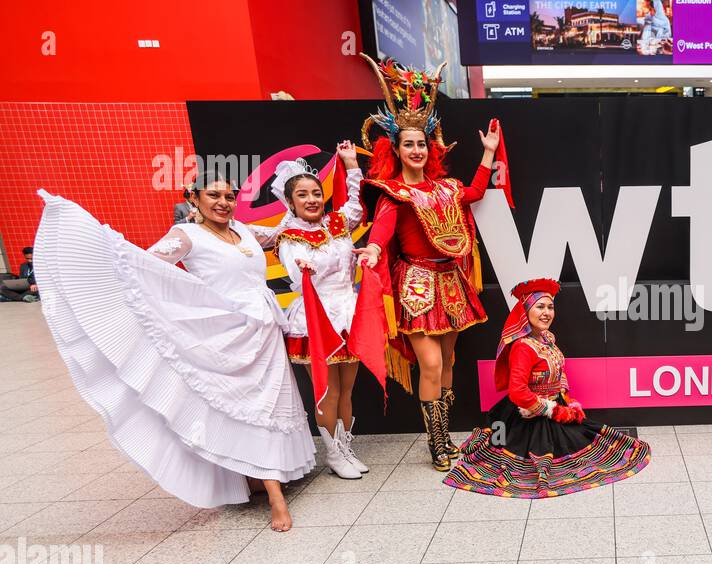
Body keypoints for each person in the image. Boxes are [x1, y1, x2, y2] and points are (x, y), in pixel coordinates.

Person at [33, 171, 316, 531]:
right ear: (193, 198)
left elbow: (285, 231)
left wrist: (336, 176)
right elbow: (144, 267)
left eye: (229, 197)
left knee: (271, 405)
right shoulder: (186, 235)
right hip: (224, 335)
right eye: (213, 195)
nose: (223, 203)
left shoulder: (245, 231)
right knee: (245, 407)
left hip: (265, 333)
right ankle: (276, 500)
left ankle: (260, 476)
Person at [355, 55, 503, 472]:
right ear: (395, 148)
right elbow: (381, 233)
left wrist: (488, 153)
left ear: (429, 147)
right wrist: (372, 251)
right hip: (416, 285)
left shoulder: (446, 188)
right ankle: (436, 443)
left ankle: (447, 434)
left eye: (421, 143)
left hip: (450, 281)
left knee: (450, 361)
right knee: (432, 363)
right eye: (409, 144)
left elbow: (474, 192)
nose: (416, 150)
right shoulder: (392, 193)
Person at [445, 278, 652, 497]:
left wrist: (569, 402)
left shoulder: (547, 337)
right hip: (528, 416)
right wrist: (553, 410)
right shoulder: (523, 347)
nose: (546, 313)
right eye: (540, 307)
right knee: (542, 455)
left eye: (550, 307)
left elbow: (560, 371)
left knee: (590, 440)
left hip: (555, 405)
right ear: (526, 311)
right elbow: (517, 392)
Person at [255, 142, 370, 480]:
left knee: (347, 389)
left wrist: (350, 165)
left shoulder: (339, 223)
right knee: (327, 390)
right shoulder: (288, 237)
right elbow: (296, 274)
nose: (311, 200)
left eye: (316, 192)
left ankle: (347, 449)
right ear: (290, 202)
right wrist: (304, 266)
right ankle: (333, 454)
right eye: (302, 195)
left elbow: (355, 204)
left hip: (349, 313)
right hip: (315, 321)